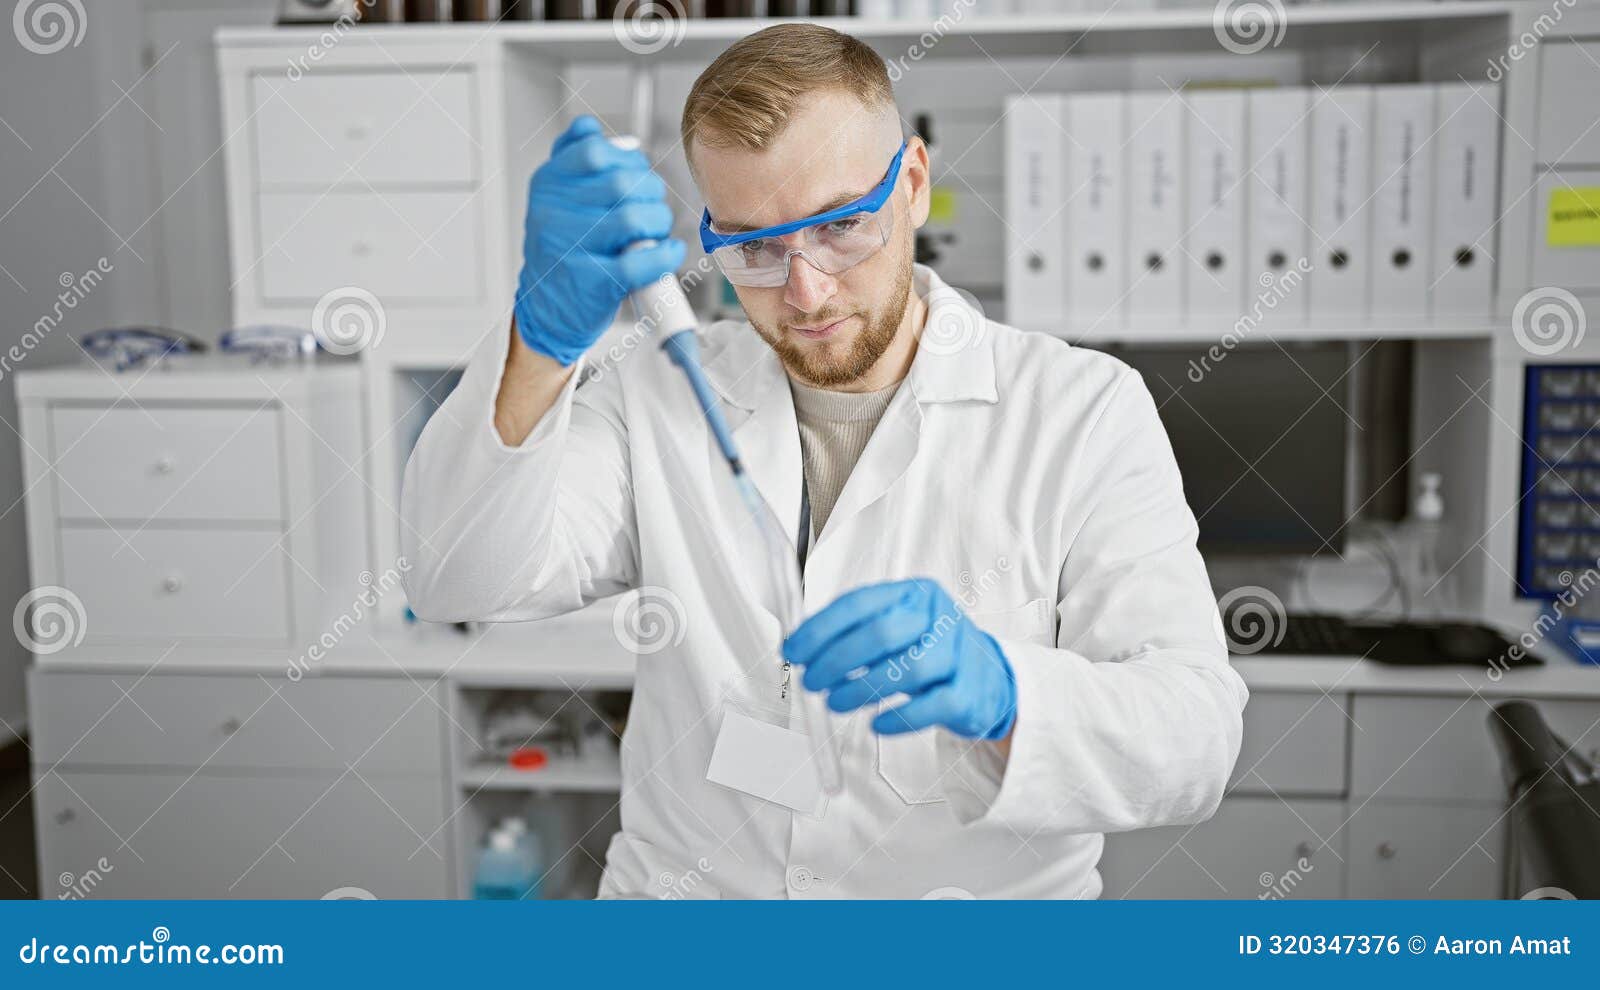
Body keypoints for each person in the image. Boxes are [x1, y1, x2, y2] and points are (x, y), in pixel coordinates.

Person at [401, 23, 1247, 899]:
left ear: (912, 184)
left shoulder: (1080, 410)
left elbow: (1195, 742)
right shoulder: (655, 392)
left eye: (842, 226)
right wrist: (541, 336)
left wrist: (1009, 693)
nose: (805, 292)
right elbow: (459, 580)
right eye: (756, 248)